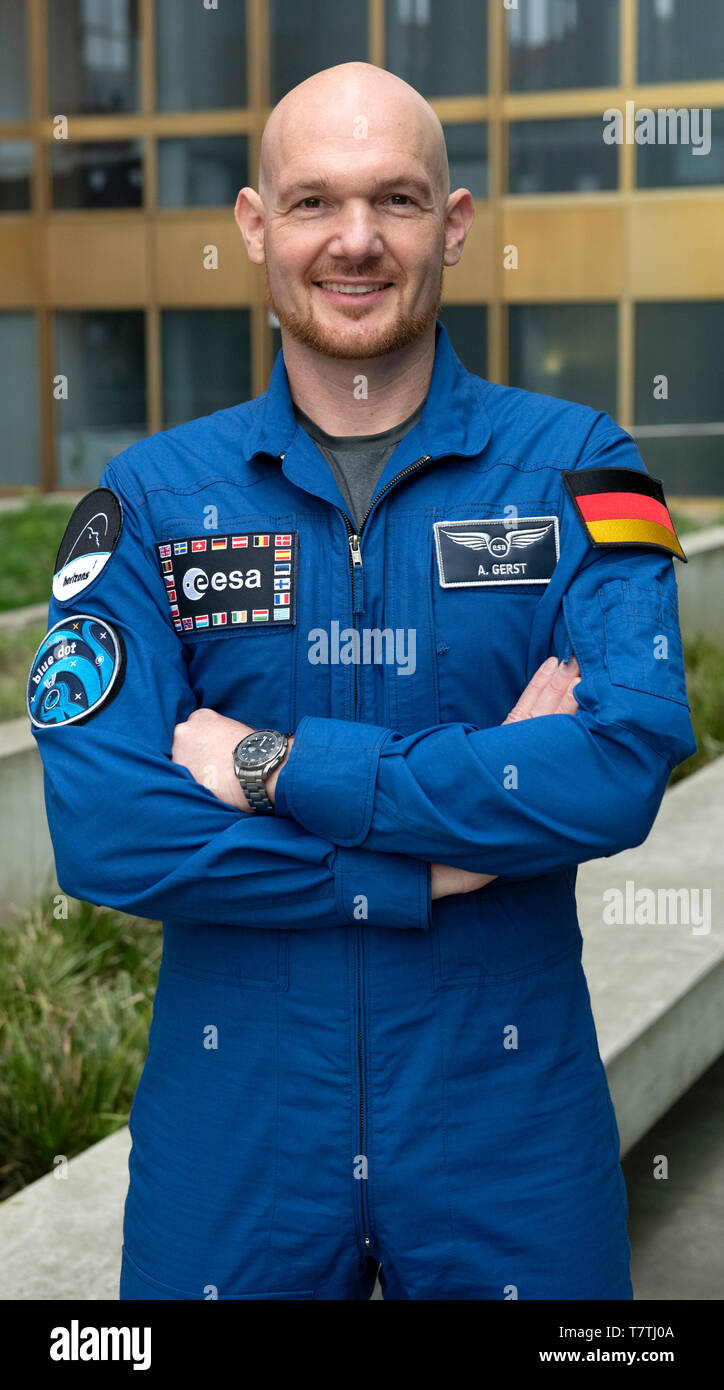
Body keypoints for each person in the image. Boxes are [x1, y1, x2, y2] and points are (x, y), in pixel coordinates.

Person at [28, 62, 696, 1301]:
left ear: (452, 224)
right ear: (252, 227)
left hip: (506, 1127)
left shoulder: (576, 466)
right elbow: (109, 830)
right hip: (236, 1138)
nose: (353, 240)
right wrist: (429, 865)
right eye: (312, 202)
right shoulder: (153, 503)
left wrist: (269, 764)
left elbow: (617, 762)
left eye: (394, 200)